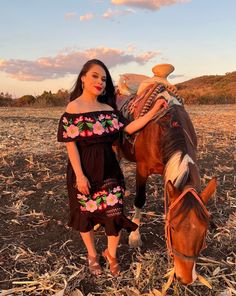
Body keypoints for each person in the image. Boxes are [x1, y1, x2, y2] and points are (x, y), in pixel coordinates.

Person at [57, 59, 168, 277]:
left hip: (109, 169)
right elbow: (71, 146)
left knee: (114, 213)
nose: (100, 82)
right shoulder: (73, 108)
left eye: (104, 79)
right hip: (84, 170)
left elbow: (129, 128)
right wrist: (80, 176)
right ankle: (92, 255)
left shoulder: (109, 109)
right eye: (95, 76)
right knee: (85, 216)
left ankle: (112, 254)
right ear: (83, 78)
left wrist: (154, 109)